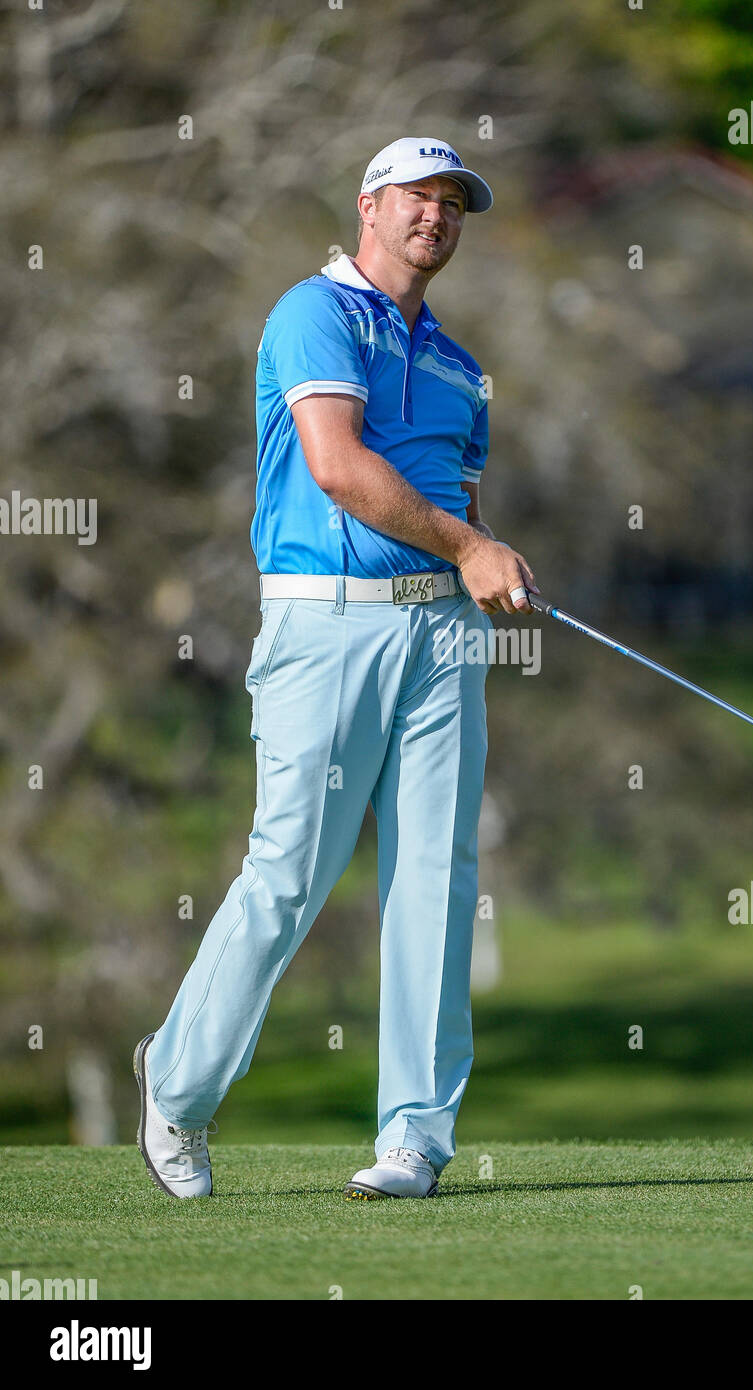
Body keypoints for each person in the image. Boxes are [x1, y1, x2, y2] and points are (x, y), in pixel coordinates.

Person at [134, 136, 538, 1201]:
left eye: (454, 204)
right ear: (369, 204)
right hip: (326, 624)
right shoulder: (312, 312)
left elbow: (464, 507)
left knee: (434, 886)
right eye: (417, 196)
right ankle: (176, 1090)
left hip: (442, 637)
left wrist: (483, 567)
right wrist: (466, 547)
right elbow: (337, 465)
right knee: (288, 873)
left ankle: (414, 1136)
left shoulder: (459, 364)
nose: (435, 217)